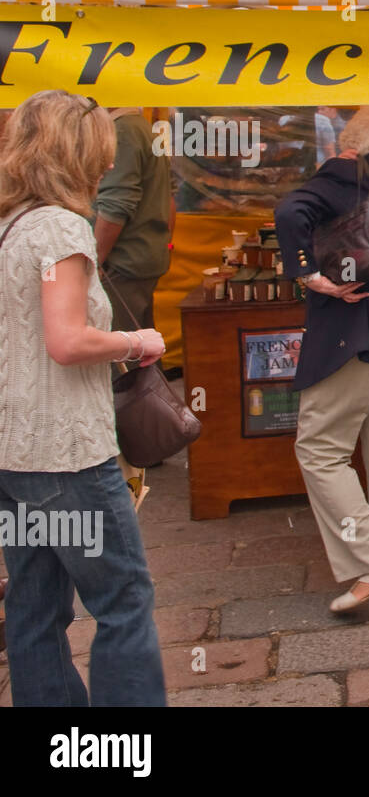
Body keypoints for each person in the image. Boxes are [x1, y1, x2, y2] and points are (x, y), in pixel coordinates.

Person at [0, 90, 167, 705]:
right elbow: (67, 339)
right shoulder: (62, 229)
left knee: (35, 603)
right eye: (100, 151)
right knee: (124, 599)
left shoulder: (8, 225)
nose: (105, 164)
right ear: (77, 154)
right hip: (66, 453)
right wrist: (134, 339)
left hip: (12, 454)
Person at [275, 106, 369, 613]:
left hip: (357, 328)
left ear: (351, 142)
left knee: (320, 449)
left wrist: (307, 275)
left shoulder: (347, 170)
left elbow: (289, 211)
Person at [94, 106, 173, 340]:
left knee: (122, 357)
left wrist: (94, 261)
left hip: (121, 263)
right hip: (140, 257)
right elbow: (169, 199)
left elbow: (115, 206)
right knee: (142, 350)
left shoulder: (122, 131)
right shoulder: (142, 128)